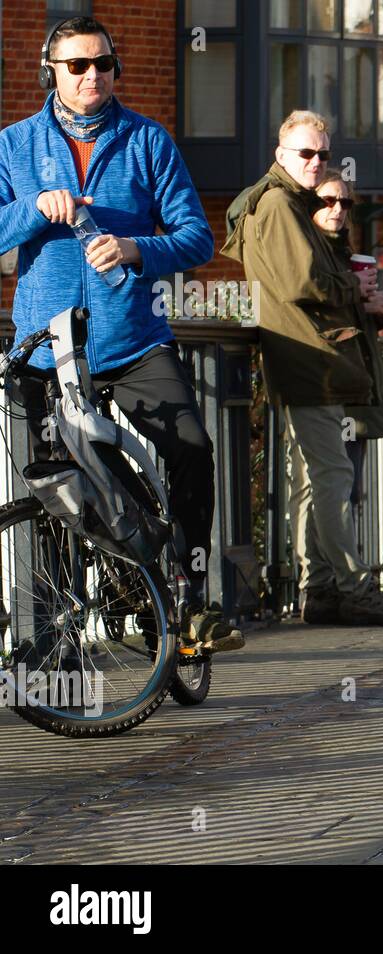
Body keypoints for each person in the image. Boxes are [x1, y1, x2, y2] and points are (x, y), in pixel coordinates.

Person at [0, 16, 243, 652]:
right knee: (59, 485)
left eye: (103, 64)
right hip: (49, 347)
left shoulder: (147, 140)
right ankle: (67, 637)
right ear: (49, 72)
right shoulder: (14, 145)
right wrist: (33, 210)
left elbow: (197, 237)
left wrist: (136, 249)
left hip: (133, 340)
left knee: (192, 446)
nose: (92, 76)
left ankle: (191, 601)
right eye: (77, 65)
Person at [221, 110, 383, 627]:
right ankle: (353, 587)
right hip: (307, 357)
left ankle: (321, 591)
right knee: (332, 476)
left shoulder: (288, 202)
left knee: (313, 479)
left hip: (308, 356)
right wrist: (358, 291)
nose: (316, 163)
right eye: (306, 153)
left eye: (323, 155)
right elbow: (303, 282)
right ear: (281, 155)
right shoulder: (280, 204)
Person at [288, 168, 383, 621]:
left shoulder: (344, 255)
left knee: (335, 484)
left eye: (345, 202)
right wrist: (362, 305)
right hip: (319, 377)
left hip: (351, 381)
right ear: (309, 206)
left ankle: (323, 590)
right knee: (320, 484)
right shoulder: (308, 253)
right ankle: (336, 586)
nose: (337, 210)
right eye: (327, 201)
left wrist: (377, 310)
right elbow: (306, 317)